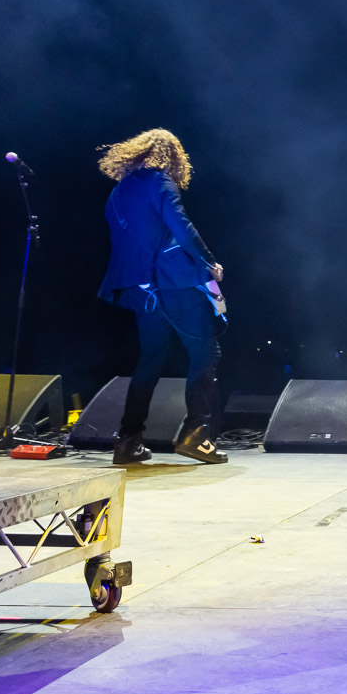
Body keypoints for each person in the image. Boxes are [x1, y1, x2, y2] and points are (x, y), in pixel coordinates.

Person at [96, 129, 228, 464]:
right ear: (171, 156)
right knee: (205, 351)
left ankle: (128, 440)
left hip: (142, 290)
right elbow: (182, 227)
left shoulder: (118, 193)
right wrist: (209, 263)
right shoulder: (161, 183)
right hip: (175, 285)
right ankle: (197, 433)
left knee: (150, 360)